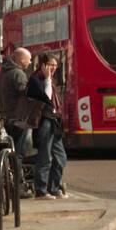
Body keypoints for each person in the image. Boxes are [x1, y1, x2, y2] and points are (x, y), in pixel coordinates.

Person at [27, 51, 68, 200]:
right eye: (51, 65)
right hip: (44, 121)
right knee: (45, 157)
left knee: (61, 158)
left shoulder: (51, 80)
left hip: (54, 121)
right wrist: (48, 80)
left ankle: (54, 188)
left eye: (56, 65)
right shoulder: (36, 80)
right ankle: (41, 191)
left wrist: (50, 79)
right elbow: (45, 99)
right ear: (43, 65)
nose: (54, 68)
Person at [0, 46, 33, 164]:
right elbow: (26, 94)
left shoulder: (1, 74)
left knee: (12, 148)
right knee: (20, 151)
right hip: (18, 117)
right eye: (29, 59)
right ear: (21, 59)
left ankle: (10, 173)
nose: (30, 62)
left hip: (5, 117)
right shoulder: (18, 73)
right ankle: (18, 177)